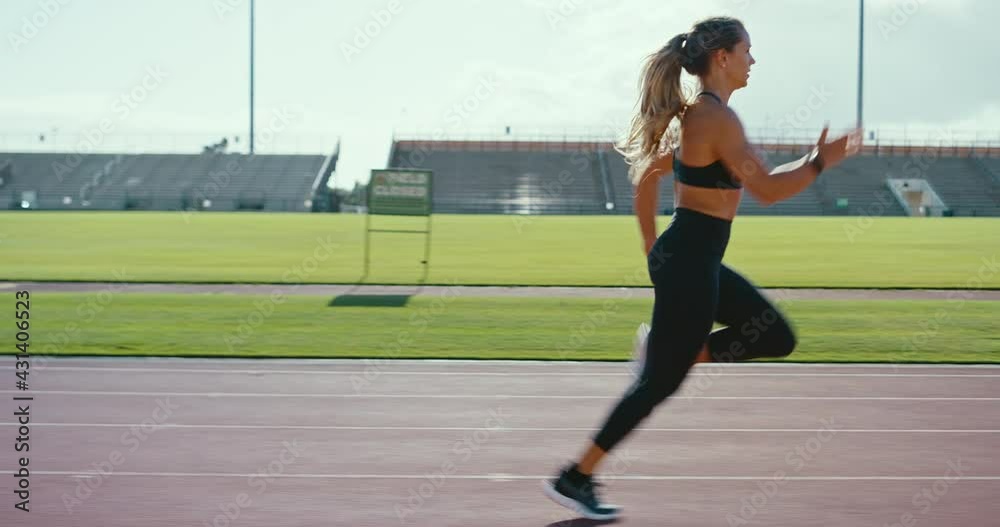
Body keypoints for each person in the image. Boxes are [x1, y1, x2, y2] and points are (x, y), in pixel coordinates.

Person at [542, 16, 861, 520]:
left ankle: (672, 354)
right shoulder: (715, 120)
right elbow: (769, 191)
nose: (753, 60)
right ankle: (575, 477)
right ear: (723, 58)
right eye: (748, 51)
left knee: (774, 334)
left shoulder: (699, 117)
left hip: (695, 258)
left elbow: (647, 174)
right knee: (658, 385)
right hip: (691, 260)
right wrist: (821, 162)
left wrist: (653, 248)